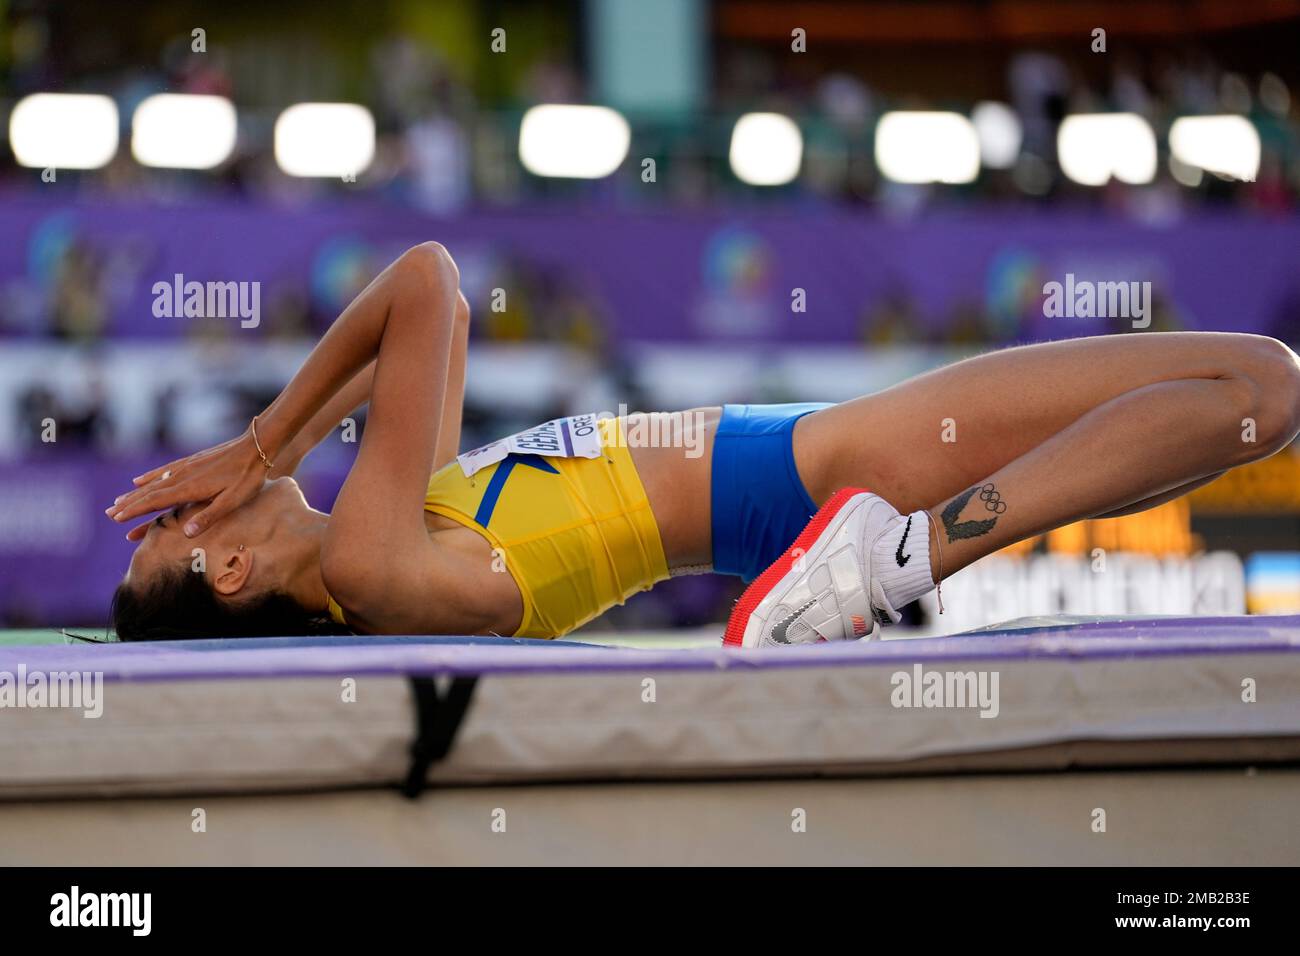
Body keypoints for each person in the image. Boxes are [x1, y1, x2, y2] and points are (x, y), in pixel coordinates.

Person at [107, 243, 1300, 646]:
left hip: (799, 473)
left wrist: (269, 451)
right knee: (1261, 381)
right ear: (226, 569)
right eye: (174, 527)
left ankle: (893, 558)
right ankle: (896, 561)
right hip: (815, 478)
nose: (184, 502)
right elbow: (423, 278)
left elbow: (441, 320)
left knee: (1244, 394)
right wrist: (259, 444)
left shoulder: (393, 533)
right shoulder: (368, 565)